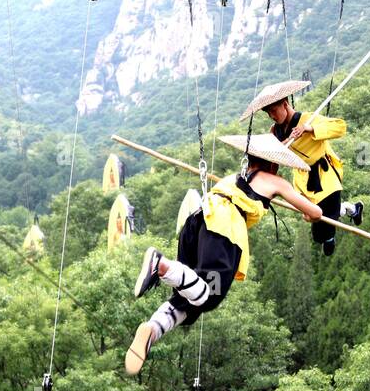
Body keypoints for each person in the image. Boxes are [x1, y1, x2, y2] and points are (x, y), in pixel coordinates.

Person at [125, 133, 323, 375]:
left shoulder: (235, 177)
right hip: (223, 226)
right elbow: (314, 212)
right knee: (209, 295)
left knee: (189, 300)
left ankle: (153, 329)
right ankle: (163, 265)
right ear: (274, 163)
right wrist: (309, 212)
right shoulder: (275, 181)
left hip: (198, 220)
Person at [243, 78, 363, 257]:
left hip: (324, 175)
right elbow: (273, 159)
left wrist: (309, 129)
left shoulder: (307, 119)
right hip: (303, 179)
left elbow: (340, 127)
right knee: (315, 224)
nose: (272, 116)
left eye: (274, 111)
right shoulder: (275, 131)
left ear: (285, 104)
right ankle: (349, 208)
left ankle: (350, 212)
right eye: (268, 113)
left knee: (327, 227)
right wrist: (265, 181)